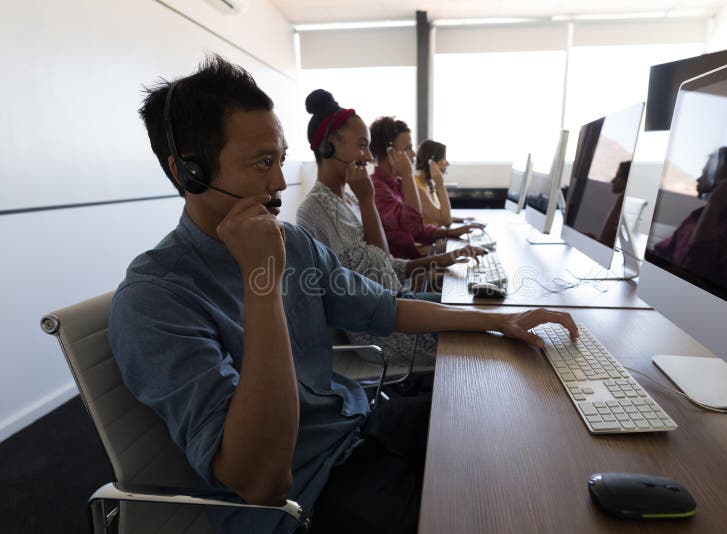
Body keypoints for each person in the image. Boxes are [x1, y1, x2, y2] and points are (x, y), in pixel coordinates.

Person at [108, 56, 579, 534]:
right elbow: (261, 481)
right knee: (493, 513)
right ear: (187, 172)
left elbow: (384, 307)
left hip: (357, 428)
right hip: (307, 494)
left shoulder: (292, 242)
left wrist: (498, 321)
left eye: (280, 159)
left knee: (515, 440)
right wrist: (261, 282)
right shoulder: (154, 301)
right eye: (261, 164)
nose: (278, 184)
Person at [296, 89, 485, 367]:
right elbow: (362, 287)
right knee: (481, 339)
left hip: (400, 303)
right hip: (383, 331)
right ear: (328, 147)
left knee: (477, 305)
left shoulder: (347, 198)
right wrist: (367, 199)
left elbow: (382, 261)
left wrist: (442, 258)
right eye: (361, 146)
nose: (367, 157)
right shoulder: (314, 210)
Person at [653, 143, 727, 294]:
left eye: (706, 173)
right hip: (667, 288)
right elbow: (663, 253)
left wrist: (714, 205)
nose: (698, 179)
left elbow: (695, 270)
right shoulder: (696, 216)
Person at [369, 117, 483, 259]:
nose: (414, 154)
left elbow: (420, 231)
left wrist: (449, 233)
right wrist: (407, 174)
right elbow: (413, 225)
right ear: (390, 153)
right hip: (406, 272)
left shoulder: (395, 184)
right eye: (408, 148)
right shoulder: (377, 190)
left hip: (415, 262)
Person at [413, 140, 471, 227]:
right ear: (431, 162)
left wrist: (464, 220)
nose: (447, 163)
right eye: (444, 159)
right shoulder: (417, 188)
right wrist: (440, 184)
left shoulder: (428, 184)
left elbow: (439, 214)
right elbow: (445, 221)